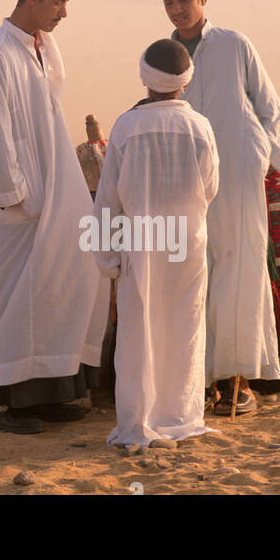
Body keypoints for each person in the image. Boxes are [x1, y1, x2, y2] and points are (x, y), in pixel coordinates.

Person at [0, 0, 110, 433]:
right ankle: (9, 404)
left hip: (59, 187)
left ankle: (51, 392)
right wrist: (14, 194)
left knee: (63, 281)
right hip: (23, 196)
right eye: (59, 3)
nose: (64, 14)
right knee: (15, 294)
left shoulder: (43, 46)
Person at [156, 0, 280, 414]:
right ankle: (202, 381)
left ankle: (239, 381)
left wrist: (267, 161)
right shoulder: (164, 57)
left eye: (184, 0)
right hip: (187, 183)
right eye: (169, 2)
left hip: (237, 177)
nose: (177, 9)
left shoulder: (235, 44)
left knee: (240, 271)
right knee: (196, 272)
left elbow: (270, 107)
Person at [91, 39, 219, 448]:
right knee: (184, 326)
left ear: (145, 78)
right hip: (188, 243)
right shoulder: (200, 126)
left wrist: (107, 259)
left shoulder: (126, 127)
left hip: (143, 245)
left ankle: (139, 421)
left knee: (139, 330)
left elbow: (108, 199)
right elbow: (210, 188)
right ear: (186, 81)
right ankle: (180, 417)